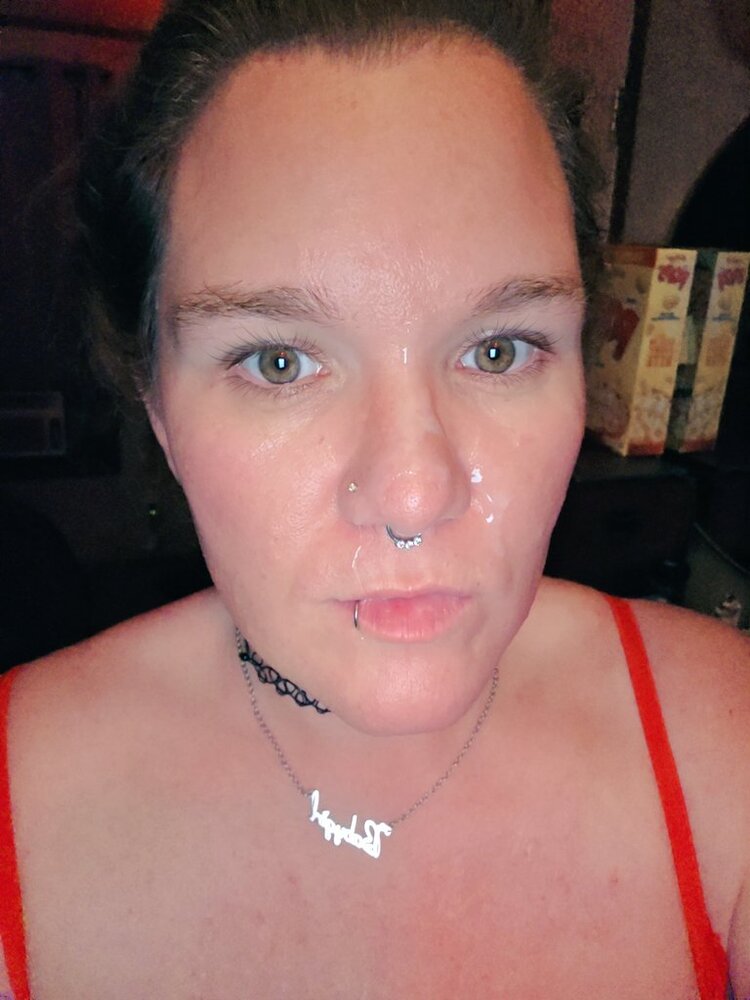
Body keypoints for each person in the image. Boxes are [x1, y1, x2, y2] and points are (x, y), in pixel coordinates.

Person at [1, 1, 748, 996]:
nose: (412, 495)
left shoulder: (725, 743)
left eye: (498, 350)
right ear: (158, 406)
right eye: (279, 361)